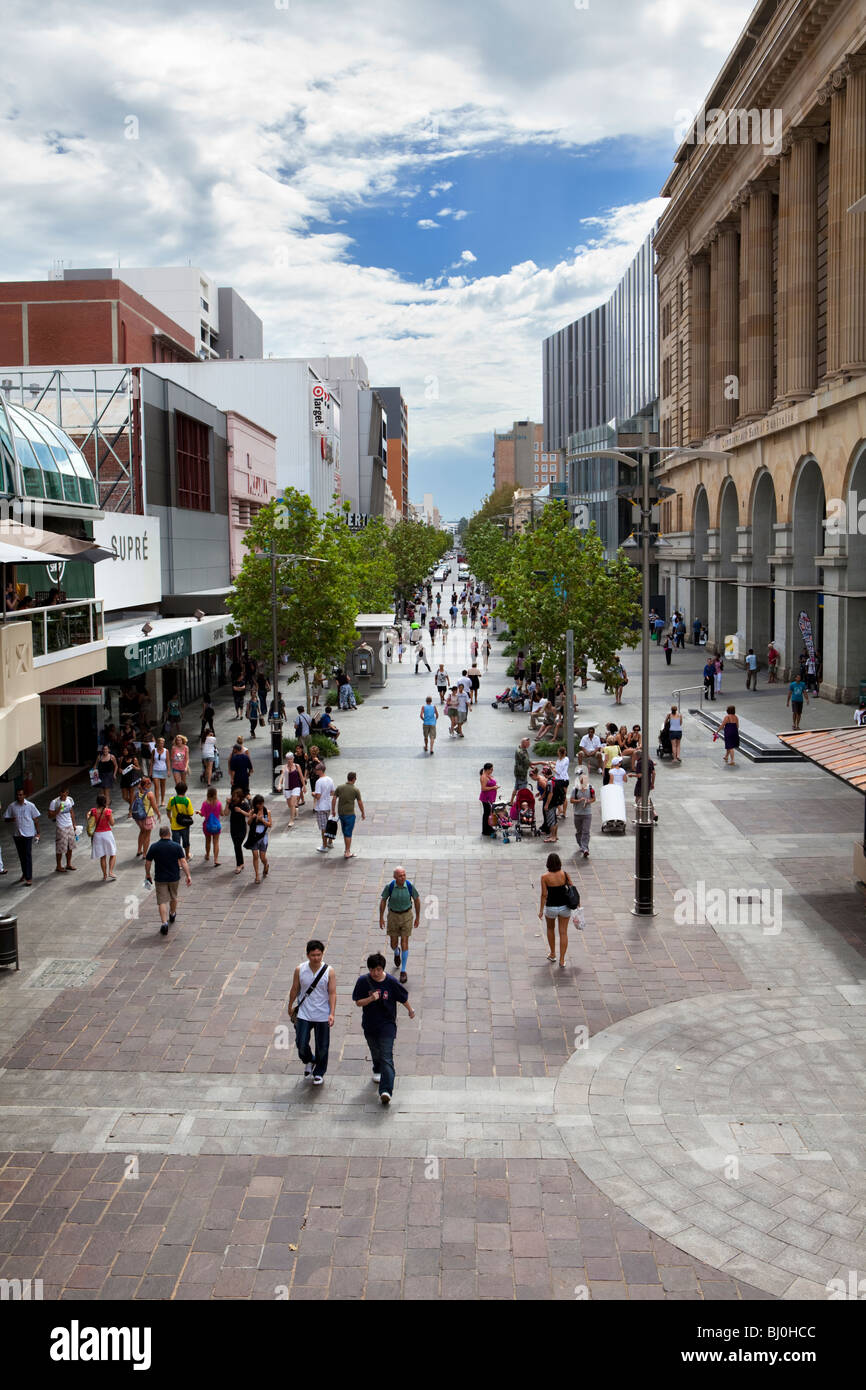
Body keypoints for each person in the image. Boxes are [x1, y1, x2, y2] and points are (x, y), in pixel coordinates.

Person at [353, 952, 415, 1105]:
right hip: (369, 1024)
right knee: (376, 1052)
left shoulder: (391, 982)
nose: (375, 973)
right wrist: (370, 999)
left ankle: (386, 1090)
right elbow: (358, 1002)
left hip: (387, 1025)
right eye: (372, 970)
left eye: (378, 970)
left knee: (387, 1056)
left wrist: (410, 1010)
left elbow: (403, 997)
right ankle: (377, 1068)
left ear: (383, 969)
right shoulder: (363, 981)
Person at [288, 940, 336, 1086]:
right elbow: (295, 988)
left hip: (322, 1014)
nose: (316, 958)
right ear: (307, 955)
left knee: (323, 1046)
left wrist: (332, 1013)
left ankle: (319, 1072)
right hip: (304, 1013)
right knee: (301, 1043)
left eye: (319, 955)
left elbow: (332, 993)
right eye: (313, 955)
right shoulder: (300, 969)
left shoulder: (329, 971)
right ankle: (309, 1059)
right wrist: (290, 1005)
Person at [145, 824, 191, 935]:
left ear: (160, 835)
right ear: (169, 834)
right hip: (174, 876)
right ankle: (172, 913)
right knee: (174, 897)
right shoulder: (176, 846)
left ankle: (164, 923)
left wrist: (147, 874)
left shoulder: (154, 847)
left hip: (160, 877)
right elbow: (183, 862)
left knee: (161, 901)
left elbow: (148, 862)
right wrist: (188, 875)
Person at [378, 867, 421, 985]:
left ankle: (403, 971)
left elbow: (417, 900)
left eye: (404, 875)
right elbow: (383, 900)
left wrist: (417, 917)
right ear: (395, 877)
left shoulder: (410, 886)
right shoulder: (390, 887)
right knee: (393, 943)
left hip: (407, 915)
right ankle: (397, 952)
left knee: (405, 942)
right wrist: (381, 917)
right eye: (400, 876)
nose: (403, 877)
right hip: (393, 916)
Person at [539, 852, 575, 968]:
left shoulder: (544, 877)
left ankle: (553, 954)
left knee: (550, 929)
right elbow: (572, 888)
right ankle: (562, 959)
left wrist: (540, 911)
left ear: (548, 863)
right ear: (559, 862)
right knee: (563, 932)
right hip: (565, 907)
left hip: (551, 907)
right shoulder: (564, 874)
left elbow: (544, 895)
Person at [331, 771, 365, 859]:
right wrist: (363, 813)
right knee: (348, 833)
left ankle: (347, 849)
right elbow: (360, 802)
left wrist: (333, 810)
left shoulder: (340, 787)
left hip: (341, 813)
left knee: (345, 832)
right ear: (354, 779)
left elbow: (334, 799)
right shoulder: (355, 789)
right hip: (350, 814)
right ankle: (347, 851)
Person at [48, 785, 78, 874]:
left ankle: (68, 864)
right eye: (61, 794)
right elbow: (49, 815)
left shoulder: (70, 800)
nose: (63, 796)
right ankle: (58, 866)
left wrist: (74, 824)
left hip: (69, 826)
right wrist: (57, 811)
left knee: (70, 846)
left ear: (67, 793)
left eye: (65, 794)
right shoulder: (54, 802)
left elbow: (71, 811)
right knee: (60, 847)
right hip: (61, 827)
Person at [86, 793, 115, 882]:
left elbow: (88, 817)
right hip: (107, 833)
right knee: (112, 853)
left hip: (97, 835)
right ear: (105, 802)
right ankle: (110, 871)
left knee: (103, 856)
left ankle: (104, 875)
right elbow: (112, 823)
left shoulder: (93, 811)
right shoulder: (108, 811)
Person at [245, 794, 272, 881]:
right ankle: (257, 875)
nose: (260, 806)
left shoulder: (267, 812)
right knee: (255, 855)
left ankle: (265, 864)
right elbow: (248, 823)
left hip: (263, 836)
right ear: (255, 804)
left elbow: (270, 825)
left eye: (262, 804)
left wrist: (262, 820)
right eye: (258, 804)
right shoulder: (253, 811)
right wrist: (252, 818)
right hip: (254, 836)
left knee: (262, 857)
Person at [132, 776, 159, 858]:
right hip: (147, 816)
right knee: (147, 835)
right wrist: (158, 813)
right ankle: (144, 854)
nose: (151, 784)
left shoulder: (136, 793)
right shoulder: (149, 794)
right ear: (146, 785)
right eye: (150, 783)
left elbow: (132, 804)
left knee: (142, 832)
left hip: (138, 817)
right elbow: (154, 806)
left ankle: (139, 850)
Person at [167, 780, 195, 862]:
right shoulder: (187, 800)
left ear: (176, 790)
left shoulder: (172, 799)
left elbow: (168, 810)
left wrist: (170, 819)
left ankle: (178, 859)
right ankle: (187, 856)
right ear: (185, 790)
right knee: (186, 842)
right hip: (185, 825)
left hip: (175, 825)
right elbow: (191, 813)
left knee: (176, 843)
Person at [570, 772, 595, 858]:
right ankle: (581, 844)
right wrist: (579, 800)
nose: (585, 782)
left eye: (586, 780)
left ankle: (585, 848)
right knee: (579, 831)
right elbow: (571, 800)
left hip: (587, 813)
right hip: (577, 813)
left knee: (586, 831)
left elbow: (594, 799)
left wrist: (588, 801)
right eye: (583, 780)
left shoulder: (591, 788)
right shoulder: (575, 789)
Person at [313, 762, 336, 853]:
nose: (315, 771)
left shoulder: (318, 781)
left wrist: (313, 794)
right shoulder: (330, 779)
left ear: (320, 770)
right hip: (328, 805)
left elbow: (318, 796)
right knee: (329, 825)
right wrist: (326, 794)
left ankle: (324, 845)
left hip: (321, 806)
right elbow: (333, 792)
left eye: (317, 770)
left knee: (323, 827)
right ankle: (330, 842)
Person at [228, 785, 251, 874]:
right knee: (236, 846)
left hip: (241, 828)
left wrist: (241, 811)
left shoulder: (244, 804)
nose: (234, 798)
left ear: (240, 797)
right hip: (233, 827)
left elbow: (249, 815)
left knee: (237, 845)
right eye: (233, 796)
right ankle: (241, 863)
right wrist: (227, 804)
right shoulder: (232, 803)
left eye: (236, 797)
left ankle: (239, 865)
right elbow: (226, 813)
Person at [278, 751, 304, 828]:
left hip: (296, 786)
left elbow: (301, 777)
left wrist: (304, 787)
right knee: (289, 805)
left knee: (292, 803)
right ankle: (295, 810)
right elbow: (282, 777)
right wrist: (279, 785)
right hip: (287, 787)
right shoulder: (284, 767)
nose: (289, 760)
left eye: (291, 759)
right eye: (288, 759)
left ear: (293, 759)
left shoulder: (297, 766)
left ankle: (291, 820)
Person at [198, 785, 223, 865]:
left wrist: (199, 812)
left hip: (207, 826)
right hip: (216, 825)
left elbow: (202, 814)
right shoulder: (219, 803)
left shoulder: (205, 804)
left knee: (208, 841)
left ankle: (208, 855)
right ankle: (216, 860)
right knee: (216, 842)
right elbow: (222, 814)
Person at [119, 749, 143, 820]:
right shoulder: (122, 758)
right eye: (124, 750)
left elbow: (139, 768)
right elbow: (120, 768)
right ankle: (134, 804)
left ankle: (130, 811)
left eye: (126, 750)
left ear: (129, 751)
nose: (124, 752)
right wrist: (120, 770)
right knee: (124, 796)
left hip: (131, 778)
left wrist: (135, 767)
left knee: (131, 794)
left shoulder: (134, 759)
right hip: (124, 779)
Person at [149, 737, 168, 808]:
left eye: (163, 743)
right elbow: (152, 761)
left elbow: (168, 761)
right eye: (160, 743)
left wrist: (169, 770)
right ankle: (157, 801)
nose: (161, 744)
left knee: (163, 786)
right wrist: (150, 771)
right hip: (155, 770)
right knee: (156, 787)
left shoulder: (166, 751)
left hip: (163, 770)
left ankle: (162, 800)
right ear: (157, 743)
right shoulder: (154, 751)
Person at [479, 763, 497, 837]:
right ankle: (485, 830)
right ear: (487, 769)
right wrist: (493, 788)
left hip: (490, 798)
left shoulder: (488, 776)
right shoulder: (483, 777)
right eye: (491, 769)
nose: (492, 770)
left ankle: (489, 828)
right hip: (486, 798)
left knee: (490, 813)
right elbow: (483, 788)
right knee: (486, 814)